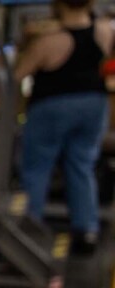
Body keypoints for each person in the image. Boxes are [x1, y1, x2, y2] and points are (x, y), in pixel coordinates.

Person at [15, 0, 114, 254]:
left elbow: (17, 75)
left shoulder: (49, 41)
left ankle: (30, 229)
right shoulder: (104, 30)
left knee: (38, 167)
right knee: (82, 165)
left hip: (51, 107)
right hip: (94, 105)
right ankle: (86, 230)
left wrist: (25, 45)